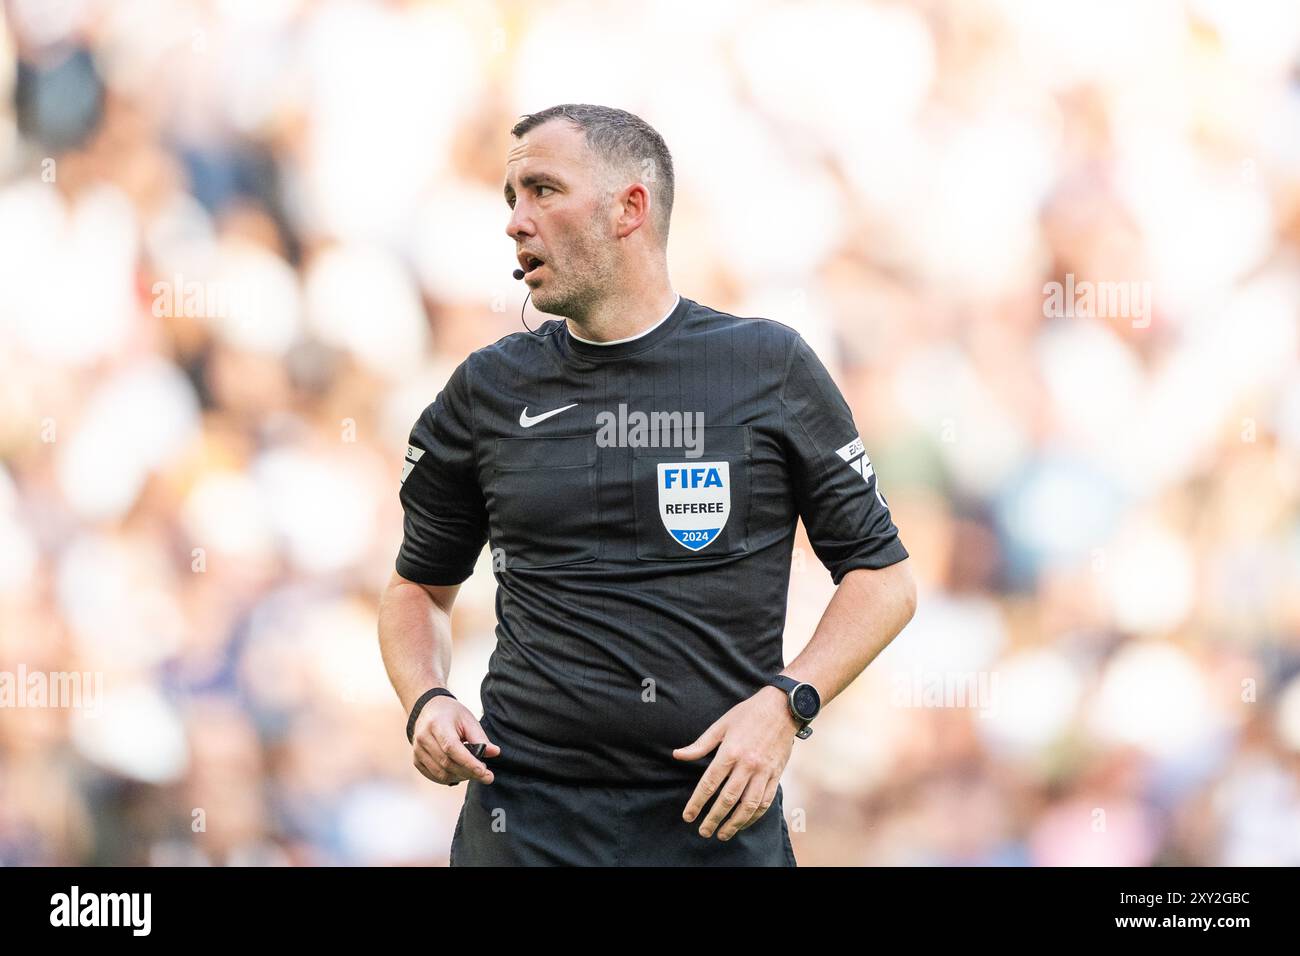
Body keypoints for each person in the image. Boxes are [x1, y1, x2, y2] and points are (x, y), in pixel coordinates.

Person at [378, 103, 917, 866]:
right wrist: (425, 700)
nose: (515, 221)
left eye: (541, 191)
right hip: (525, 828)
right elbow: (416, 592)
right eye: (510, 198)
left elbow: (883, 578)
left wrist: (788, 704)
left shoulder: (766, 366)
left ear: (629, 207)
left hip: (713, 828)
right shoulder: (487, 389)